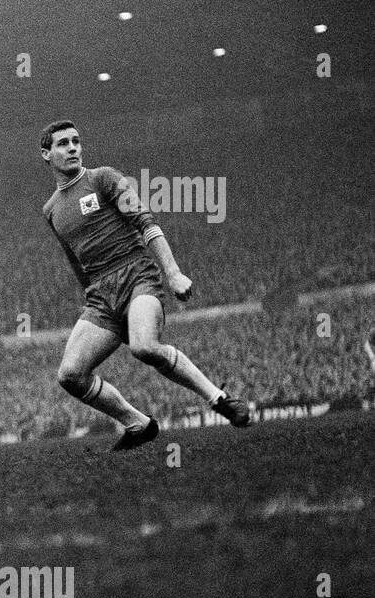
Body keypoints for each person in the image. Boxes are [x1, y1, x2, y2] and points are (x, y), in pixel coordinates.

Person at [38, 119, 250, 449]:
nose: (73, 148)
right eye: (63, 143)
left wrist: (174, 273)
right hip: (100, 297)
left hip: (137, 276)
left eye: (76, 141)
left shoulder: (103, 178)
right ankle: (138, 423)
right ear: (46, 154)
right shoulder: (51, 210)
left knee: (144, 346)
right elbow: (75, 261)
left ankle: (219, 399)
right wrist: (92, 302)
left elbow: (145, 222)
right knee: (70, 375)